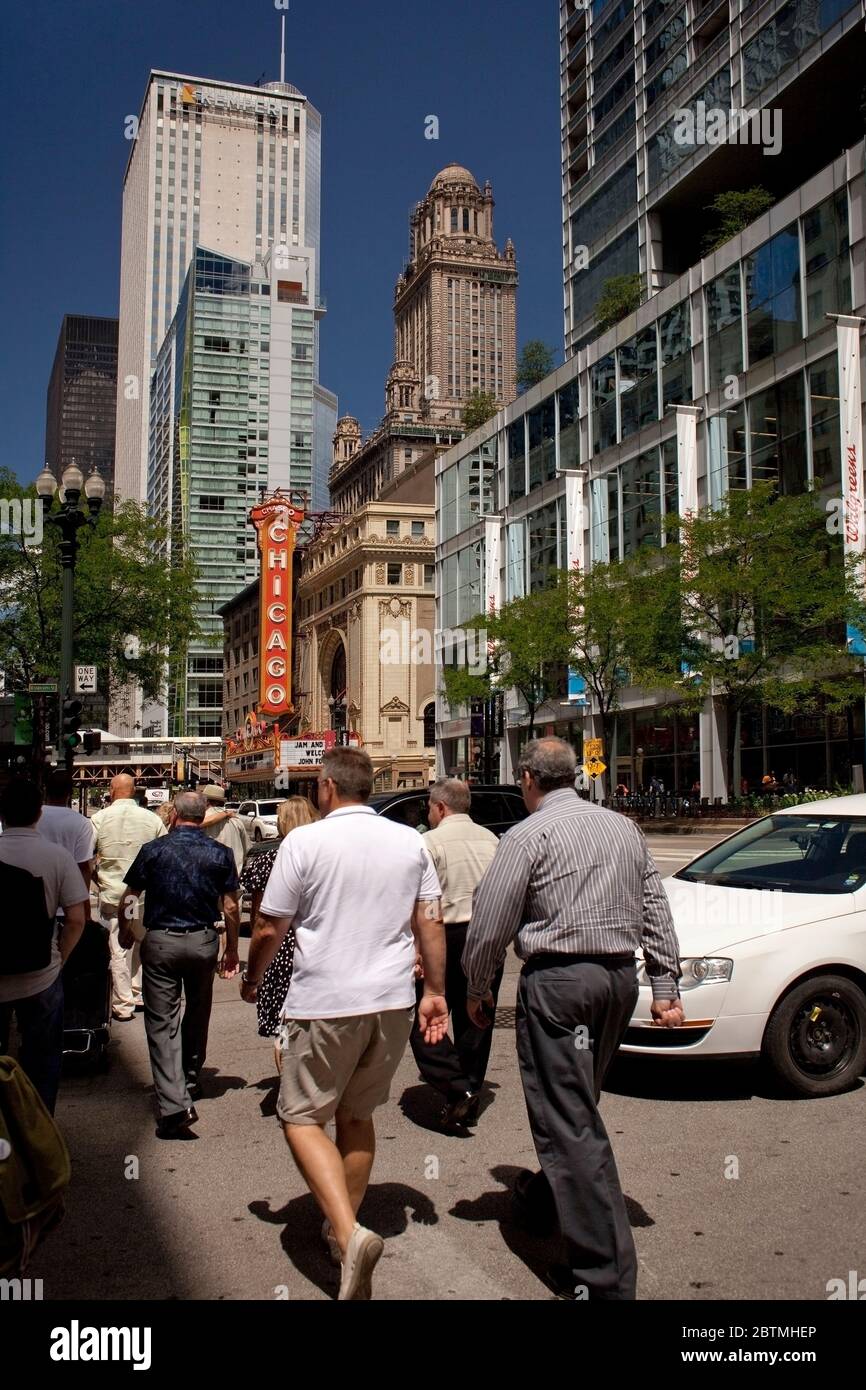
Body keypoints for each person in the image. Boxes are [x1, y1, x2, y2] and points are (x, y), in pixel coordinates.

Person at [463, 738, 684, 1301]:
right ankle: (546, 1197)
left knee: (570, 1121)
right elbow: (654, 905)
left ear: (530, 778)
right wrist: (664, 986)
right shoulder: (622, 828)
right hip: (616, 982)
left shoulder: (526, 834)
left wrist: (479, 987)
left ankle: (603, 1280)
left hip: (559, 983)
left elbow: (490, 922)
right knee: (577, 1105)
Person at [242, 746, 447, 1301]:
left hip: (326, 1001)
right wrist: (434, 991)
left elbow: (268, 927)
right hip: (390, 1002)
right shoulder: (410, 841)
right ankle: (340, 1235)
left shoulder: (305, 841)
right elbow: (430, 920)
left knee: (301, 1117)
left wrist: (254, 978)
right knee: (356, 1116)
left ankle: (349, 1232)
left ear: (328, 788)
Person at [119, 791, 240, 1138]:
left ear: (173, 815)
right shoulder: (220, 853)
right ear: (203, 817)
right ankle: (189, 1077)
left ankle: (173, 1104)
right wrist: (231, 949)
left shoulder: (154, 850)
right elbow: (231, 907)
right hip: (203, 941)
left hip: (161, 942)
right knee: (198, 1010)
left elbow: (130, 896)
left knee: (161, 1022)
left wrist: (127, 926)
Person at [409, 778, 499, 1130]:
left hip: (445, 935)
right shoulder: (492, 840)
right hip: (486, 935)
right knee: (476, 1014)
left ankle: (455, 1086)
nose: (428, 813)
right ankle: (471, 1086)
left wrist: (416, 947)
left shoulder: (428, 842)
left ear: (441, 807)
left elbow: (420, 902)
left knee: (425, 1013)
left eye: (430, 807)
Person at [0, 780, 89, 1113]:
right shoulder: (57, 857)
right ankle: (40, 1127)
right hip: (41, 974)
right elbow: (77, 918)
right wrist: (60, 958)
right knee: (43, 1058)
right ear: (38, 814)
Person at [239, 797, 319, 1071]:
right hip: (316, 945)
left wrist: (252, 972)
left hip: (278, 948)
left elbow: (260, 916)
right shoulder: (325, 858)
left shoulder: (268, 860)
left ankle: (289, 1080)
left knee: (283, 1025)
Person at [91, 774, 166, 1021]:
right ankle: (136, 992)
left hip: (113, 895)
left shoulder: (99, 818)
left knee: (118, 948)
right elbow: (165, 854)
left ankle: (123, 1004)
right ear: (134, 791)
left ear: (112, 791)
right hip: (143, 896)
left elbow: (86, 857)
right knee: (140, 943)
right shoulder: (152, 819)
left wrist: (97, 880)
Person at [37, 770, 95, 898]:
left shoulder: (33, 817)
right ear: (70, 793)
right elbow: (84, 868)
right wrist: (84, 905)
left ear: (45, 790)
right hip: (68, 902)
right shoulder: (82, 823)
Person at [200, 784, 249, 877]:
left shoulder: (200, 819)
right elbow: (246, 849)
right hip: (234, 880)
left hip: (208, 880)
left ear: (206, 801)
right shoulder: (236, 820)